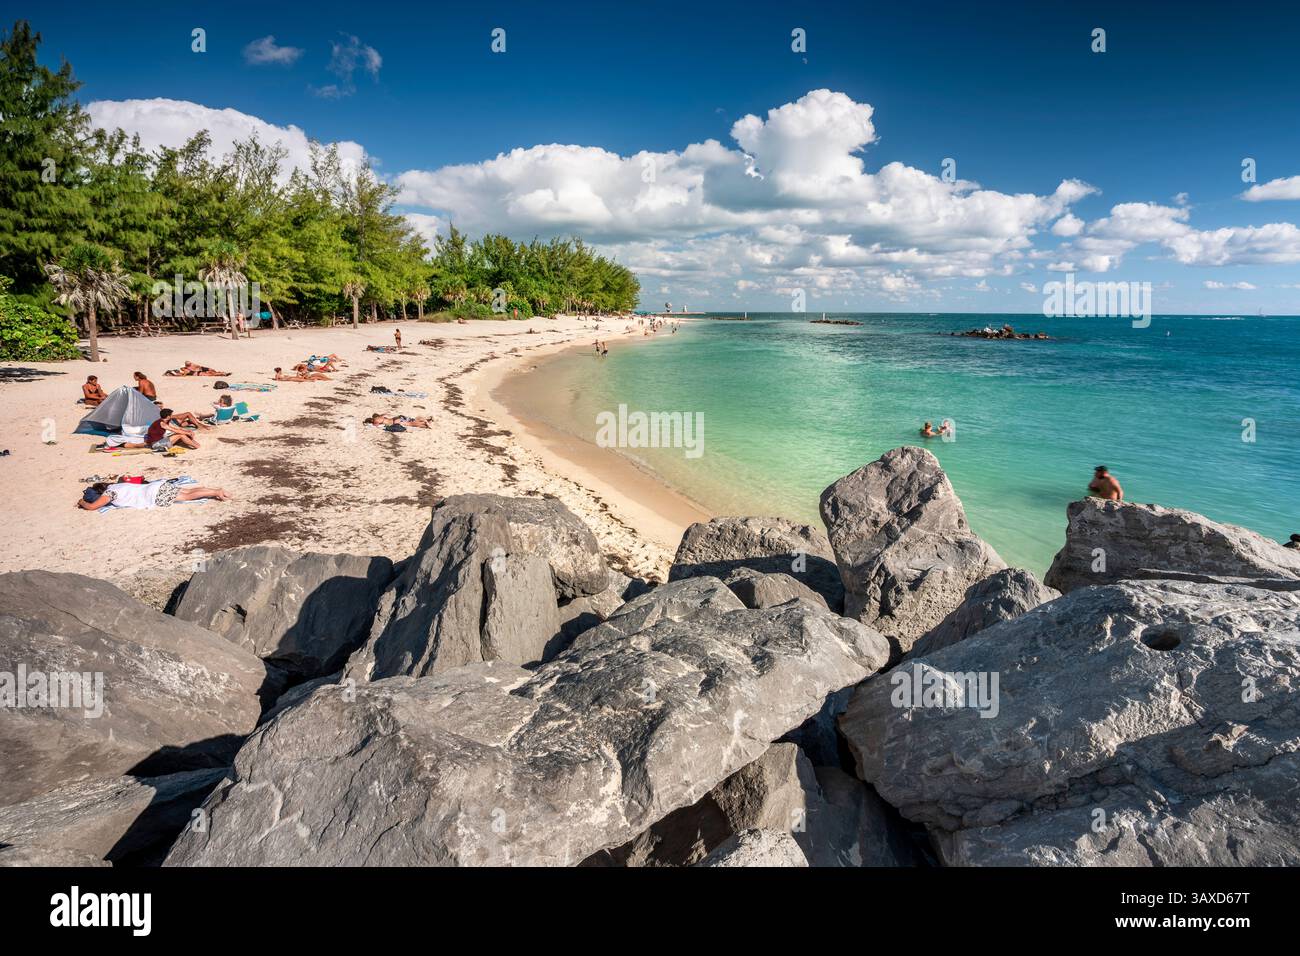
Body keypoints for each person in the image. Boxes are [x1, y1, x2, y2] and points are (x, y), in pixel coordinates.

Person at [77, 478, 230, 511]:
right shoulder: (117, 484)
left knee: (187, 496)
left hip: (153, 494)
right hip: (155, 486)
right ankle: (215, 490)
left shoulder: (110, 492)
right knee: (189, 492)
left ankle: (216, 492)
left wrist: (82, 502)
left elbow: (93, 507)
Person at [124, 409, 200, 451]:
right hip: (156, 444)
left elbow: (176, 428)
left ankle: (195, 444)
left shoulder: (164, 421)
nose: (171, 416)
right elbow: (175, 431)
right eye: (170, 415)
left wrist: (187, 431)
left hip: (159, 441)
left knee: (182, 434)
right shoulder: (162, 423)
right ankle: (196, 446)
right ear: (168, 416)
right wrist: (187, 433)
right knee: (180, 435)